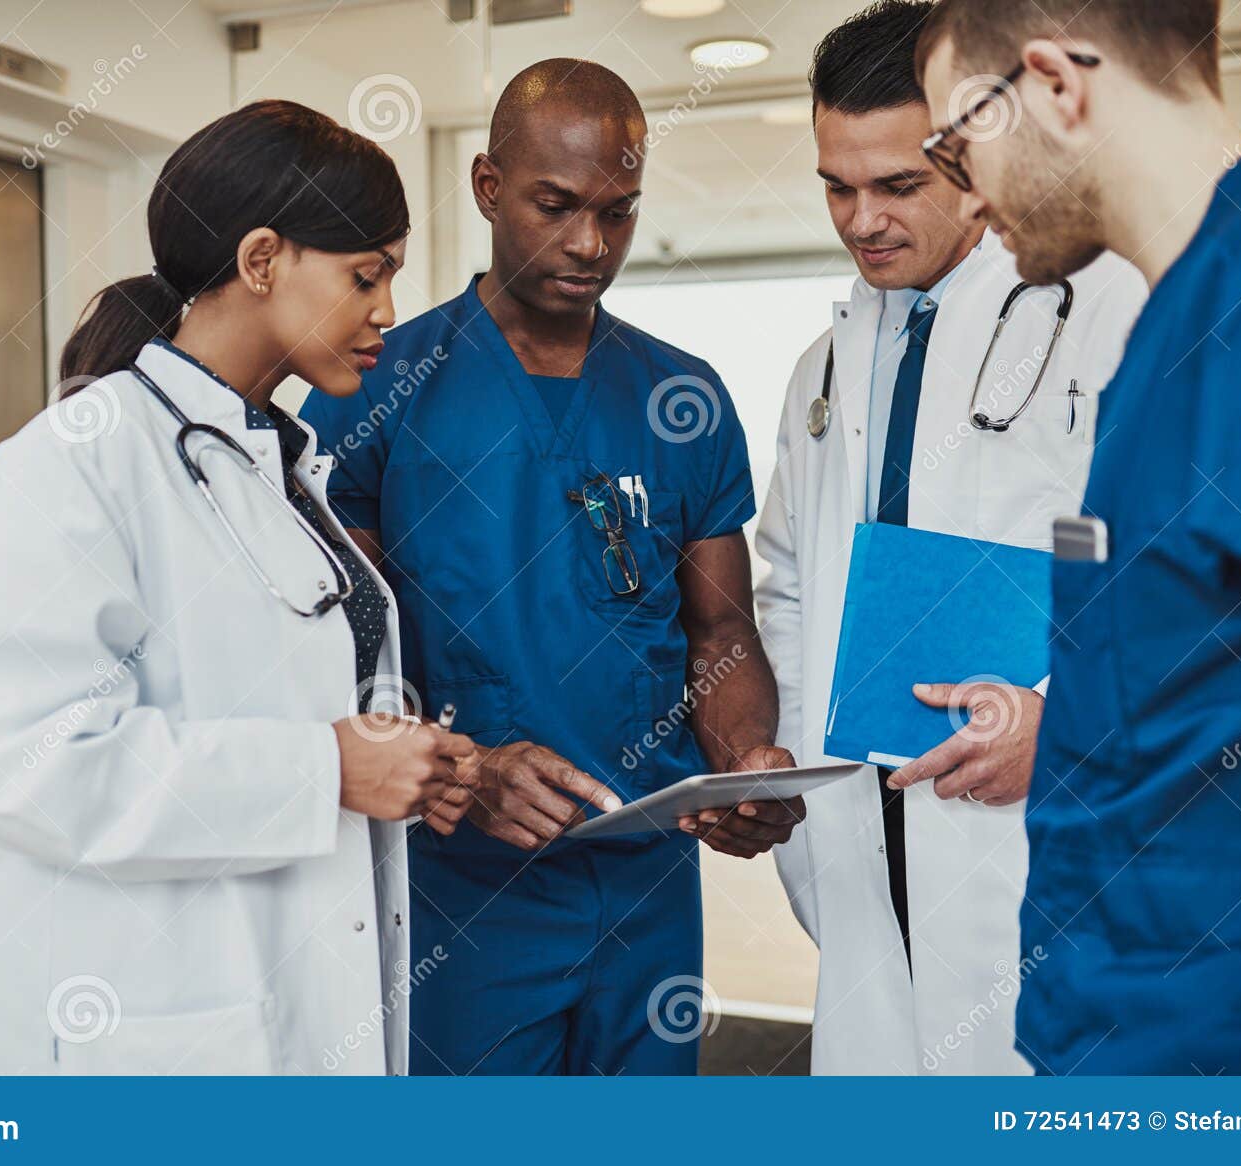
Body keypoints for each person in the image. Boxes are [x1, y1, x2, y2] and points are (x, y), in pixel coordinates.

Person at [0, 100, 476, 1076]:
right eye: (368, 275)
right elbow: (28, 767)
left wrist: (389, 760)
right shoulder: (77, 463)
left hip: (290, 991)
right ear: (264, 258)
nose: (388, 313)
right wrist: (329, 770)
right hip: (153, 1024)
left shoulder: (281, 464)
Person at [300, 58, 800, 1076]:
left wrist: (743, 760)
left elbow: (719, 630)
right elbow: (328, 654)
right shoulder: (380, 386)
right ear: (488, 188)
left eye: (618, 212)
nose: (590, 243)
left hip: (647, 885)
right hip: (461, 880)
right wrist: (461, 769)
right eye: (555, 205)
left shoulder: (682, 396)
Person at [917, 0, 1241, 1074]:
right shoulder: (1170, 328)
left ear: (1055, 84)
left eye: (957, 143)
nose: (963, 192)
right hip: (1116, 1032)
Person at [754, 0, 1145, 1074]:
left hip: (1037, 839)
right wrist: (798, 756)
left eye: (897, 186)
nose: (860, 219)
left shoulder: (1110, 308)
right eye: (836, 184)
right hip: (866, 850)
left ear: (974, 161)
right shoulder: (822, 369)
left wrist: (1056, 725)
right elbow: (784, 583)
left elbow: (1189, 586)